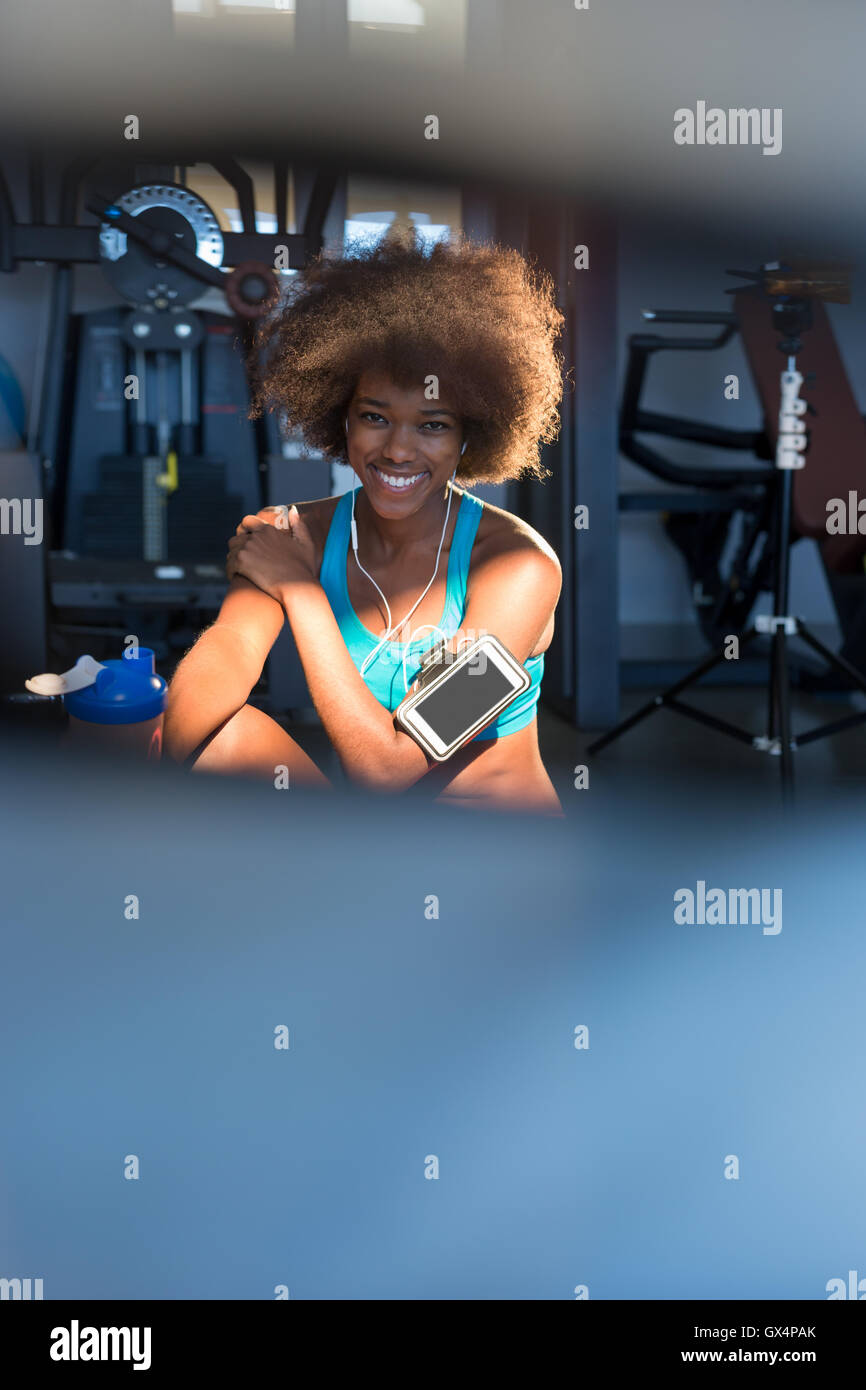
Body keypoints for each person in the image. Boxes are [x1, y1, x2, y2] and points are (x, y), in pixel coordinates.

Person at [163, 231, 565, 814]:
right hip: (373, 844)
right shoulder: (295, 536)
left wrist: (300, 590)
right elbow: (225, 653)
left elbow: (390, 769)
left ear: (470, 435)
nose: (398, 450)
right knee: (221, 742)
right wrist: (172, 761)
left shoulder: (516, 568)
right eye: (374, 416)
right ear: (340, 420)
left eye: (432, 425)